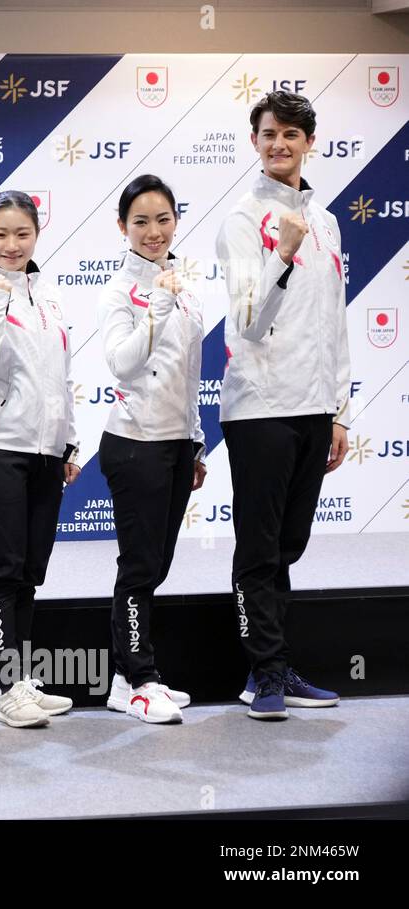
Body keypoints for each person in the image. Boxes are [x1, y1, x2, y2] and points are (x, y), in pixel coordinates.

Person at [216, 91, 349, 721]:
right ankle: (265, 671)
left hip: (312, 406)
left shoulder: (324, 221)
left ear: (308, 143)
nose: (280, 144)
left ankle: (270, 666)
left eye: (292, 135)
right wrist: (282, 253)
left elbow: (332, 322)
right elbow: (245, 322)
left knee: (288, 546)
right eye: (270, 134)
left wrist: (339, 409)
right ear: (255, 141)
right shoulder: (243, 220)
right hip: (260, 407)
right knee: (260, 548)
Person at [0, 190, 79, 729]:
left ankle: (17, 677)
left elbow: (60, 377)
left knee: (29, 574)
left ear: (36, 235)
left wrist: (67, 443)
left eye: (21, 233)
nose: (11, 244)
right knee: (3, 572)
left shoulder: (49, 297)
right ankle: (5, 686)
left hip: (44, 454)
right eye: (1, 234)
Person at [97, 175, 205, 725]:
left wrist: (197, 440)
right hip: (134, 442)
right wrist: (156, 307)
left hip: (176, 443)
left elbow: (189, 371)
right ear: (123, 227)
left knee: (156, 565)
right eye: (140, 221)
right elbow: (122, 363)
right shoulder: (121, 290)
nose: (153, 230)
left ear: (175, 221)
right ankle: (142, 679)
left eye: (162, 219)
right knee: (139, 566)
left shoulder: (184, 284)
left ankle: (122, 679)